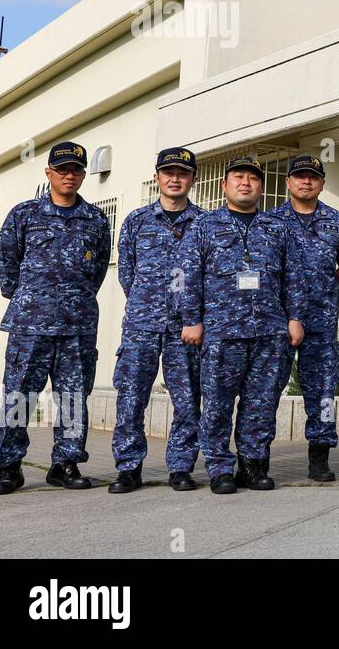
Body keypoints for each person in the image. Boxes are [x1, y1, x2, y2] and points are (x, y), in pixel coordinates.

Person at [0, 142, 111, 495]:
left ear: (84, 174)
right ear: (49, 174)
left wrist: (74, 300)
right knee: (19, 397)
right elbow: (9, 270)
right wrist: (33, 300)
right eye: (62, 169)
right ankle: (10, 467)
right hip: (30, 326)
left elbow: (98, 270)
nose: (69, 175)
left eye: (76, 169)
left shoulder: (96, 220)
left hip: (77, 326)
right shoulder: (24, 214)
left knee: (73, 397)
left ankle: (65, 463)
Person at [179, 156, 305, 494]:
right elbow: (186, 277)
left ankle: (253, 464)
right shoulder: (203, 226)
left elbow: (294, 276)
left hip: (269, 331)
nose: (245, 183)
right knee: (217, 402)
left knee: (261, 402)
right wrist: (192, 320)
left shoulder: (277, 227)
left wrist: (294, 318)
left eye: (252, 178)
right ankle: (220, 468)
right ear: (224, 185)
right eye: (238, 177)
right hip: (222, 331)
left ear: (262, 188)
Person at [109, 148, 205, 493]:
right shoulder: (136, 220)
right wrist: (146, 305)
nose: (175, 178)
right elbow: (127, 273)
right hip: (141, 325)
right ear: (158, 177)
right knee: (131, 397)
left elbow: (207, 275)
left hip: (187, 327)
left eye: (182, 173)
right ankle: (129, 467)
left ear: (192, 178)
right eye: (169, 172)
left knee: (187, 399)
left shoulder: (205, 223)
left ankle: (180, 467)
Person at [267, 154, 339, 482]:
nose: (306, 181)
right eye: (299, 176)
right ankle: (256, 456)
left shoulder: (337, 222)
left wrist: (324, 286)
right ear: (288, 182)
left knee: (322, 391)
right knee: (267, 389)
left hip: (321, 320)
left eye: (313, 177)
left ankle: (319, 457)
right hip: (277, 320)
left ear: (322, 184)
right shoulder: (270, 222)